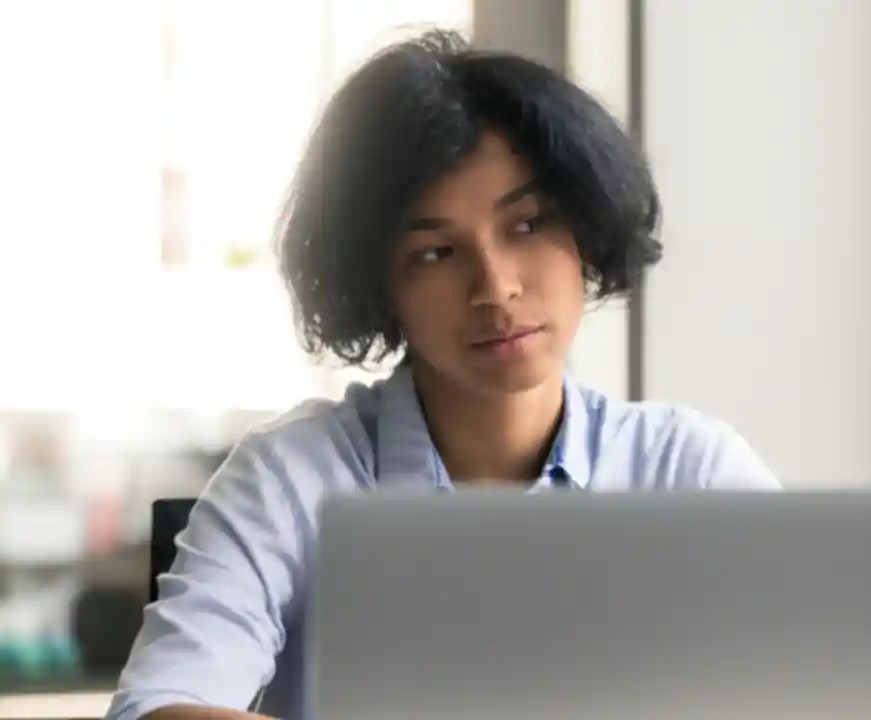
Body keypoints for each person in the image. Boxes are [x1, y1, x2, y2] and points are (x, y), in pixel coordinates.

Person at [107, 29, 778, 720]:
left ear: (584, 224)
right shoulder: (293, 476)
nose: (495, 286)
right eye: (435, 253)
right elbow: (159, 709)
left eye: (527, 224)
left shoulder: (688, 471)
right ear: (377, 285)